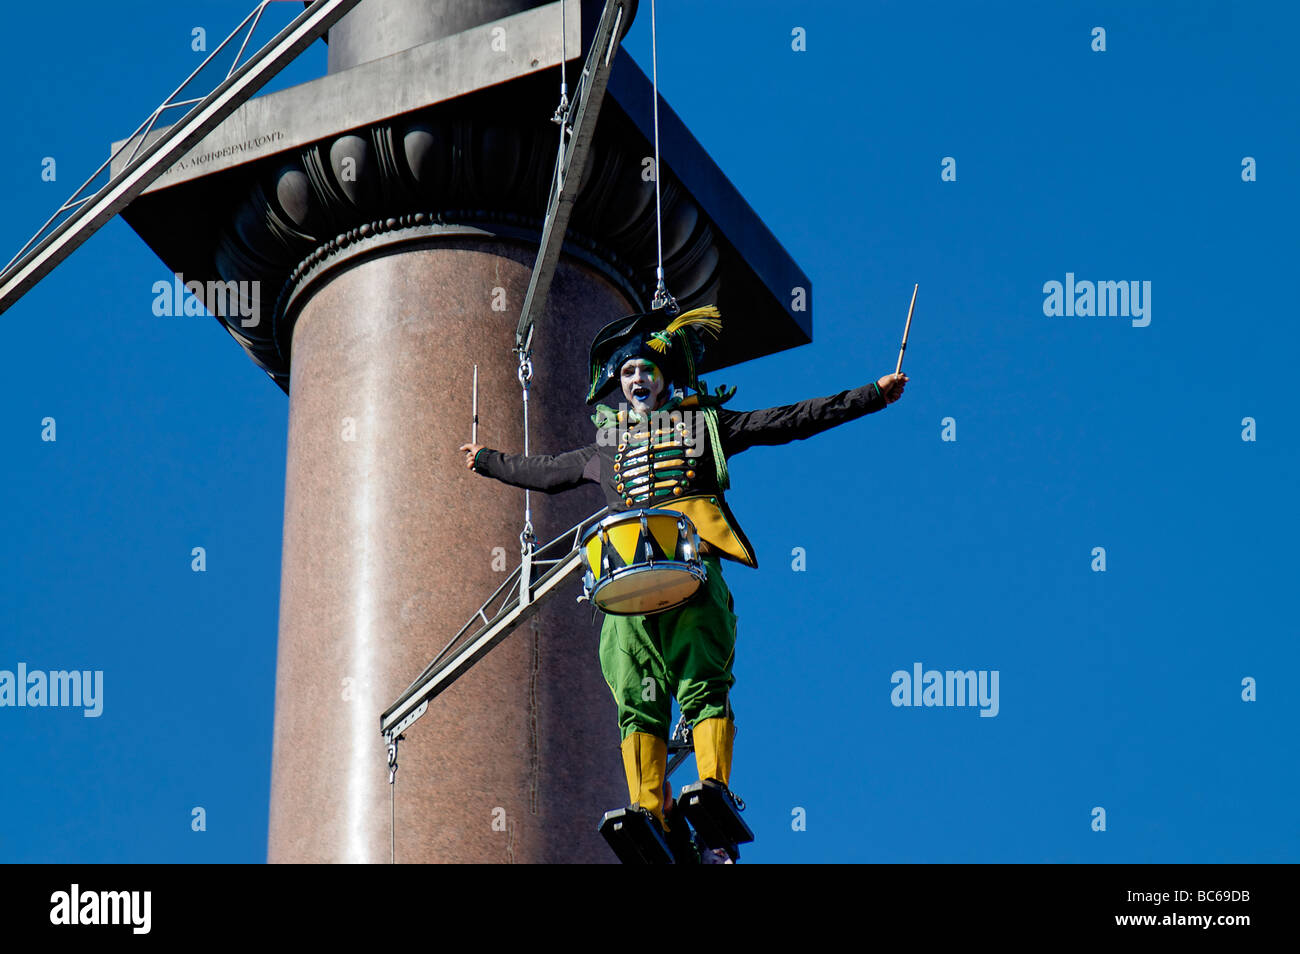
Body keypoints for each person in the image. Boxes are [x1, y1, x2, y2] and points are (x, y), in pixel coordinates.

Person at [459, 306, 907, 861]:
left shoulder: (705, 426)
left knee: (704, 681)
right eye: (627, 374)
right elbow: (547, 472)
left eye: (647, 369)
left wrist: (871, 395)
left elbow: (788, 421)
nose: (637, 379)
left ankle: (714, 786)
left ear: (666, 376)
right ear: (617, 385)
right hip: (627, 596)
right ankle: (649, 806)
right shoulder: (605, 449)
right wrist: (488, 460)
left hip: (692, 579)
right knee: (636, 698)